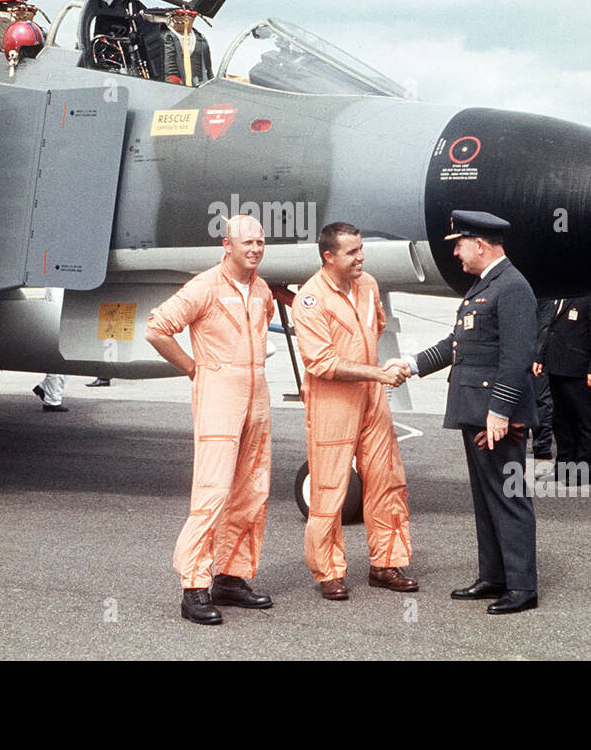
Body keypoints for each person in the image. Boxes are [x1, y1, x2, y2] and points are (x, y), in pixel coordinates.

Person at [386, 210, 539, 615]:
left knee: (509, 497)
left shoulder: (512, 288)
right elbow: (459, 342)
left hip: (496, 415)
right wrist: (413, 364)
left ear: (481, 245)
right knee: (486, 497)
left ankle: (522, 587)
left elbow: (517, 356)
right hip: (476, 411)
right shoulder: (485, 287)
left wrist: (501, 411)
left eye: (460, 244)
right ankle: (494, 576)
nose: (455, 252)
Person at [146, 215, 275, 624]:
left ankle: (231, 577)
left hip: (257, 399)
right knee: (212, 492)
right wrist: (192, 367)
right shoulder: (204, 286)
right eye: (247, 243)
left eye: (260, 242)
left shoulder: (261, 289)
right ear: (227, 245)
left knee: (251, 491)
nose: (254, 249)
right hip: (219, 397)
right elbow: (157, 328)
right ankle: (194, 586)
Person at [292, 222, 415, 601]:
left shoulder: (368, 286)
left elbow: (376, 325)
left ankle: (386, 563)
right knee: (329, 489)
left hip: (371, 399)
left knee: (386, 480)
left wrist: (372, 376)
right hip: (333, 402)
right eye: (352, 252)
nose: (361, 257)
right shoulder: (310, 299)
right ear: (329, 256)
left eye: (362, 249)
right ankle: (328, 571)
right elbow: (323, 363)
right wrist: (377, 372)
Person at [533, 295, 591, 486]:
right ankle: (564, 466)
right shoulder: (565, 293)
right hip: (557, 367)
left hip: (580, 370)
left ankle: (583, 472)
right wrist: (541, 358)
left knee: (584, 422)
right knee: (561, 422)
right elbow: (551, 329)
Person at [530, 299, 557, 464]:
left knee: (541, 400)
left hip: (537, 355)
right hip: (530, 351)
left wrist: (539, 356)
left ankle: (542, 447)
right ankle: (539, 445)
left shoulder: (543, 296)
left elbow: (544, 327)